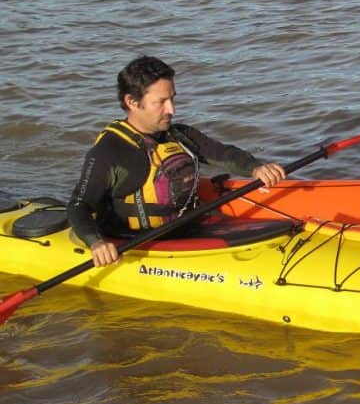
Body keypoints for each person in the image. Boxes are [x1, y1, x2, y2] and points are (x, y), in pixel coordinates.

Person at [68, 55, 286, 268]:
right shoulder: (110, 150)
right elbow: (79, 205)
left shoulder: (180, 135)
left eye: (172, 99)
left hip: (186, 231)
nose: (171, 109)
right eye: (161, 102)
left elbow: (223, 153)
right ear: (132, 102)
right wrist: (96, 243)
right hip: (136, 244)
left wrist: (256, 168)